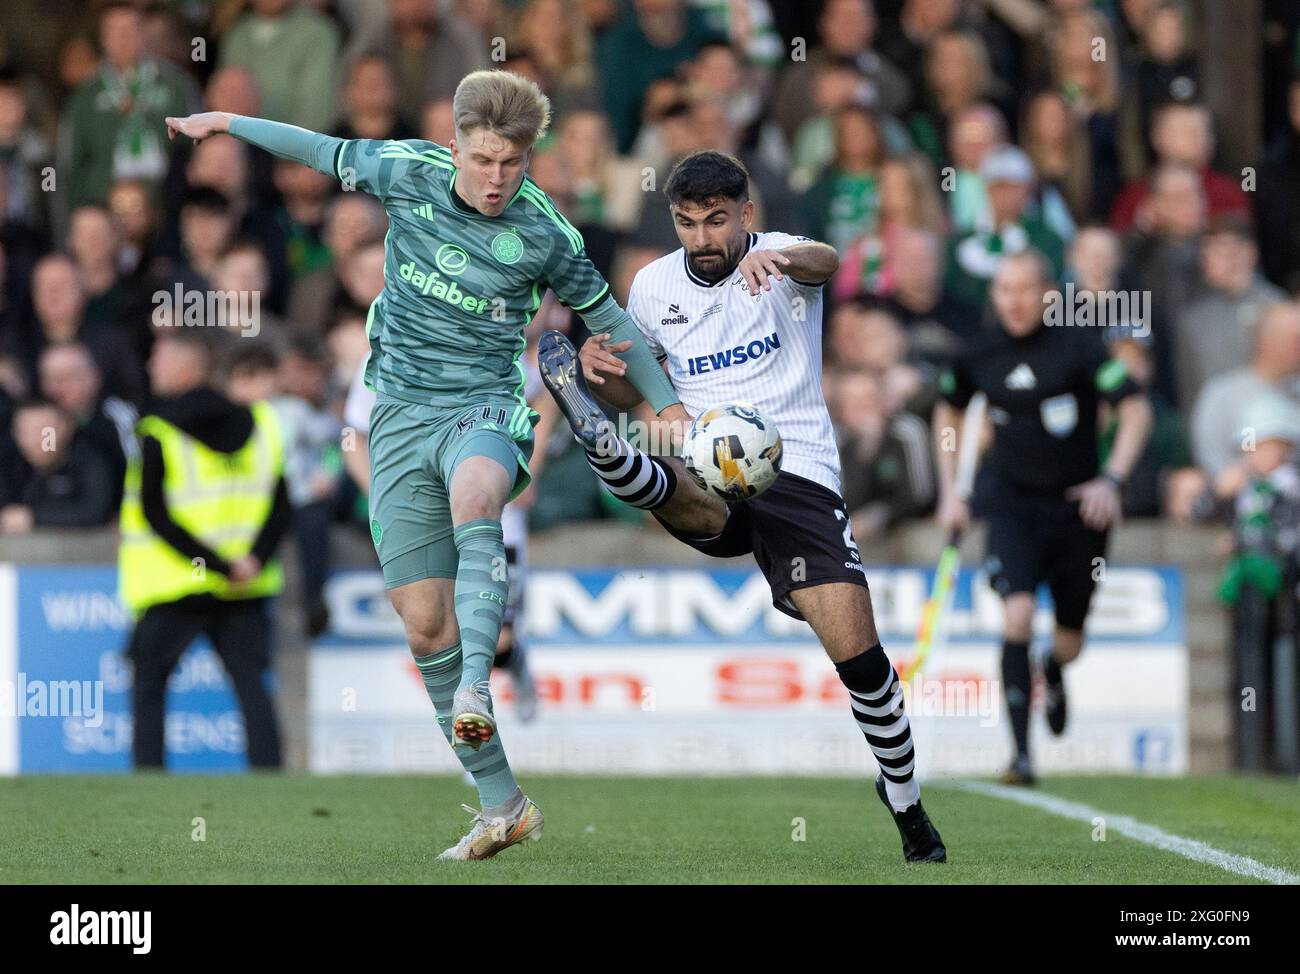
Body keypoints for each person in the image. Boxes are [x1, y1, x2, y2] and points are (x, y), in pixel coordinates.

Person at [164, 68, 685, 860]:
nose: (495, 178)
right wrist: (230, 123)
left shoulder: (547, 232)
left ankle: (480, 680)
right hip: (398, 416)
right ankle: (502, 804)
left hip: (481, 404)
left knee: (480, 495)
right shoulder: (408, 171)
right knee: (423, 622)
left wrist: (667, 406)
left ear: (529, 157)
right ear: (456, 147)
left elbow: (608, 316)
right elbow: (320, 148)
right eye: (482, 161)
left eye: (511, 164)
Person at [536, 150, 947, 863]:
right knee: (673, 475)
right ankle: (607, 451)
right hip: (706, 464)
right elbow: (642, 387)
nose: (704, 238)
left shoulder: (782, 255)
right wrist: (604, 380)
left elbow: (825, 261)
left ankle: (906, 802)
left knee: (861, 662)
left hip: (798, 473)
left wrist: (782, 264)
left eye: (718, 221)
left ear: (746, 214)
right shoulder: (653, 285)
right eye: (688, 223)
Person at [933, 251, 1153, 785]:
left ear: (1048, 295)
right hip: (1011, 504)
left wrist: (1113, 480)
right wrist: (951, 491)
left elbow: (1136, 408)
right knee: (1017, 615)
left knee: (1070, 639)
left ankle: (1053, 668)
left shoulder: (1079, 346)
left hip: (1080, 508)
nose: (1014, 300)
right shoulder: (978, 351)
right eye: (1004, 290)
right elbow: (948, 407)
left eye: (1025, 289)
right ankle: (1020, 756)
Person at [118, 330, 291, 769]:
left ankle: (150, 779)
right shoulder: (263, 421)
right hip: (245, 583)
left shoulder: (156, 429)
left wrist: (211, 565)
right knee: (251, 683)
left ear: (186, 366)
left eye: (158, 357)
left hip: (177, 584)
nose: (151, 366)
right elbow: (281, 502)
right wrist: (251, 560)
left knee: (150, 681)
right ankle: (271, 781)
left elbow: (156, 514)